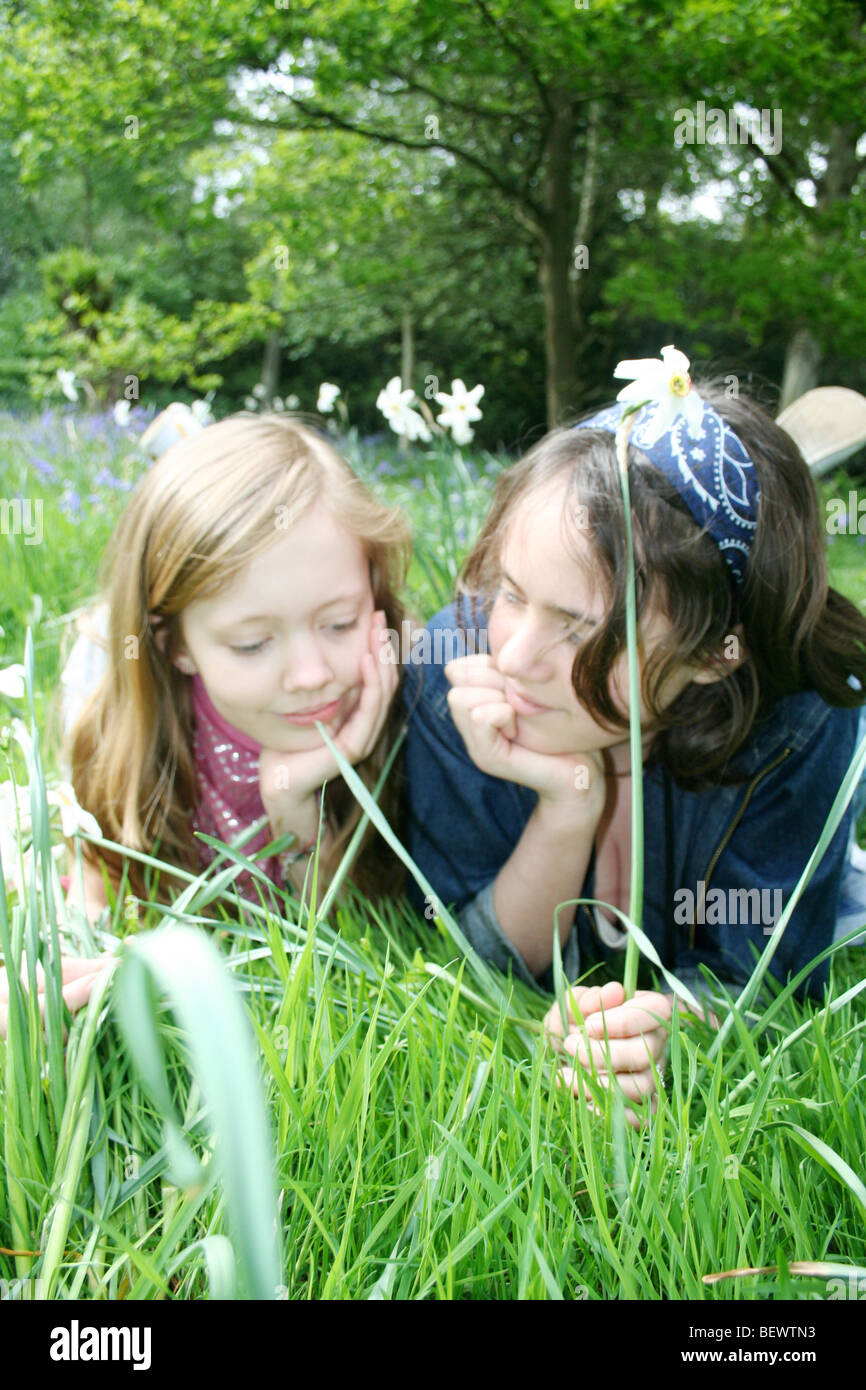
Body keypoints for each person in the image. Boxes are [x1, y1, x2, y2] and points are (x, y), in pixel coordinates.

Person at [403, 351, 866, 1123]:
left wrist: (676, 1030)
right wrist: (566, 806)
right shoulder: (455, 664)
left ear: (719, 653)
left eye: (584, 627)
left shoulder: (802, 716)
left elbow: (767, 977)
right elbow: (468, 964)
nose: (511, 657)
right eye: (512, 592)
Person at [63, 413, 410, 924]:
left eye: (339, 623)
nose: (311, 675)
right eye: (252, 644)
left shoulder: (412, 718)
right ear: (174, 644)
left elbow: (349, 943)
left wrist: (293, 802)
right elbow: (91, 905)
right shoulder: (123, 745)